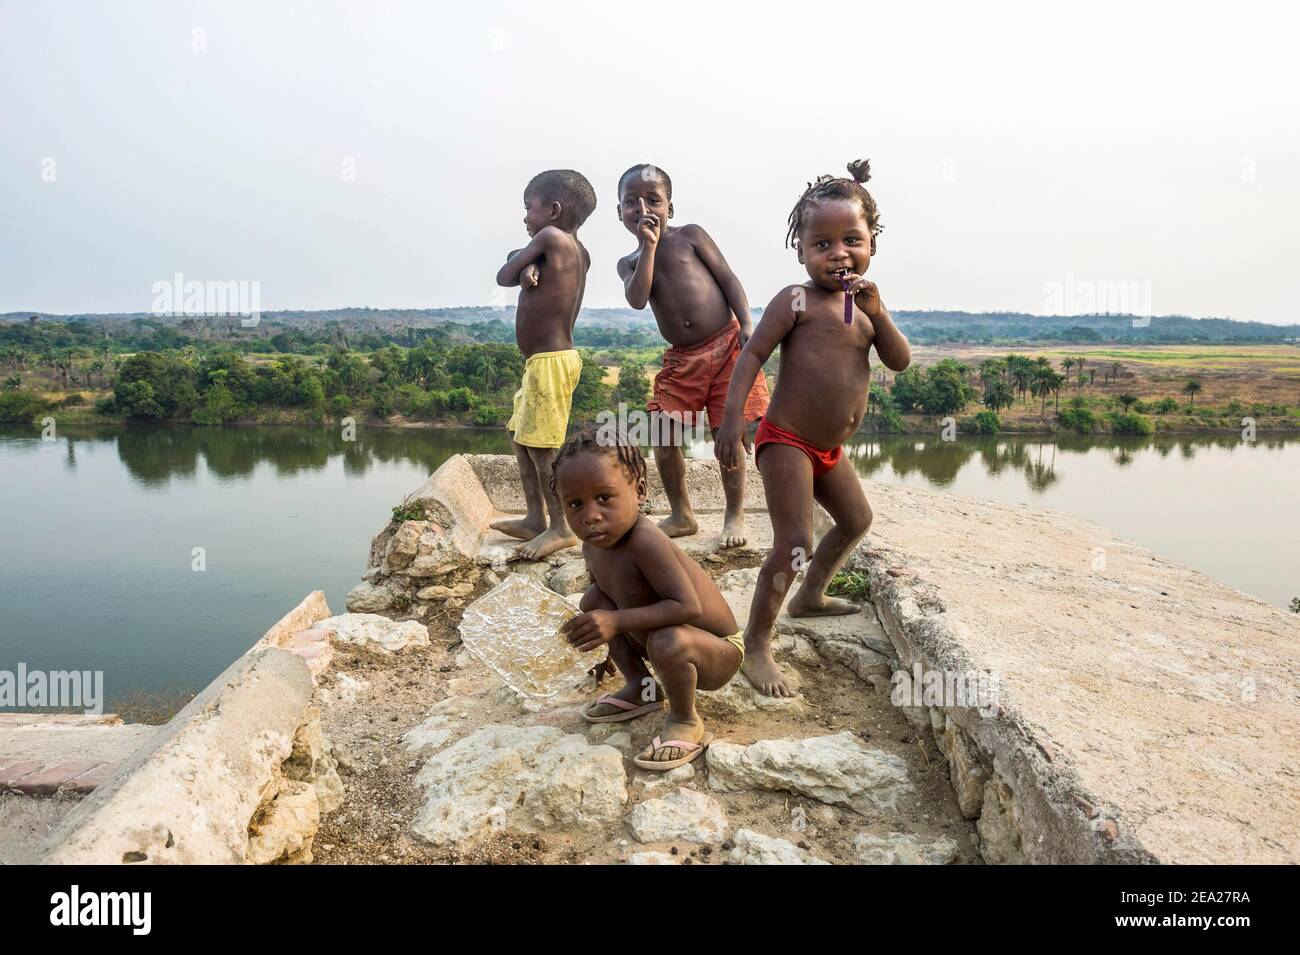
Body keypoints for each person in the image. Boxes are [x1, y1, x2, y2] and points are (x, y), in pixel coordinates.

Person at [715, 160, 912, 696]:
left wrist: (881, 312)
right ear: (800, 249)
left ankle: (811, 596)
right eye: (821, 243)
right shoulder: (797, 300)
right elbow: (753, 352)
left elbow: (898, 362)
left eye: (852, 239)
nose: (838, 253)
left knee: (855, 519)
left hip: (829, 447)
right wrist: (733, 421)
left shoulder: (866, 307)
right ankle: (755, 642)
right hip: (786, 440)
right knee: (794, 541)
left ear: (873, 243)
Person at [554, 430, 743, 770]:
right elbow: (608, 601)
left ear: (639, 492)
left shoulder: (645, 540)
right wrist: (602, 647)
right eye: (575, 504)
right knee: (593, 600)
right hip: (657, 638)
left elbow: (687, 607)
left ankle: (686, 719)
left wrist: (615, 623)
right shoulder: (592, 546)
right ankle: (642, 688)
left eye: (604, 498)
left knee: (666, 639)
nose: (591, 515)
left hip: (715, 651)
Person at [616, 164, 769, 548]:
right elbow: (637, 300)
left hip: (728, 344)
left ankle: (733, 515)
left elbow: (729, 279)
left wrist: (748, 324)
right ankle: (682, 514)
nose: (642, 207)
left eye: (653, 200)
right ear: (619, 213)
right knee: (663, 435)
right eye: (631, 202)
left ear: (670, 206)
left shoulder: (691, 237)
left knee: (727, 435)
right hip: (683, 359)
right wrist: (648, 247)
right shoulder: (629, 263)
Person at [491, 169, 596, 560]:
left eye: (528, 208)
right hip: (543, 363)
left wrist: (520, 267)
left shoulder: (549, 238)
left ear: (552, 210)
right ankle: (535, 517)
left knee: (542, 449)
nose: (524, 217)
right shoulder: (575, 249)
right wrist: (529, 266)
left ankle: (560, 527)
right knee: (521, 439)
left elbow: (503, 275)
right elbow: (517, 261)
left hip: (550, 362)